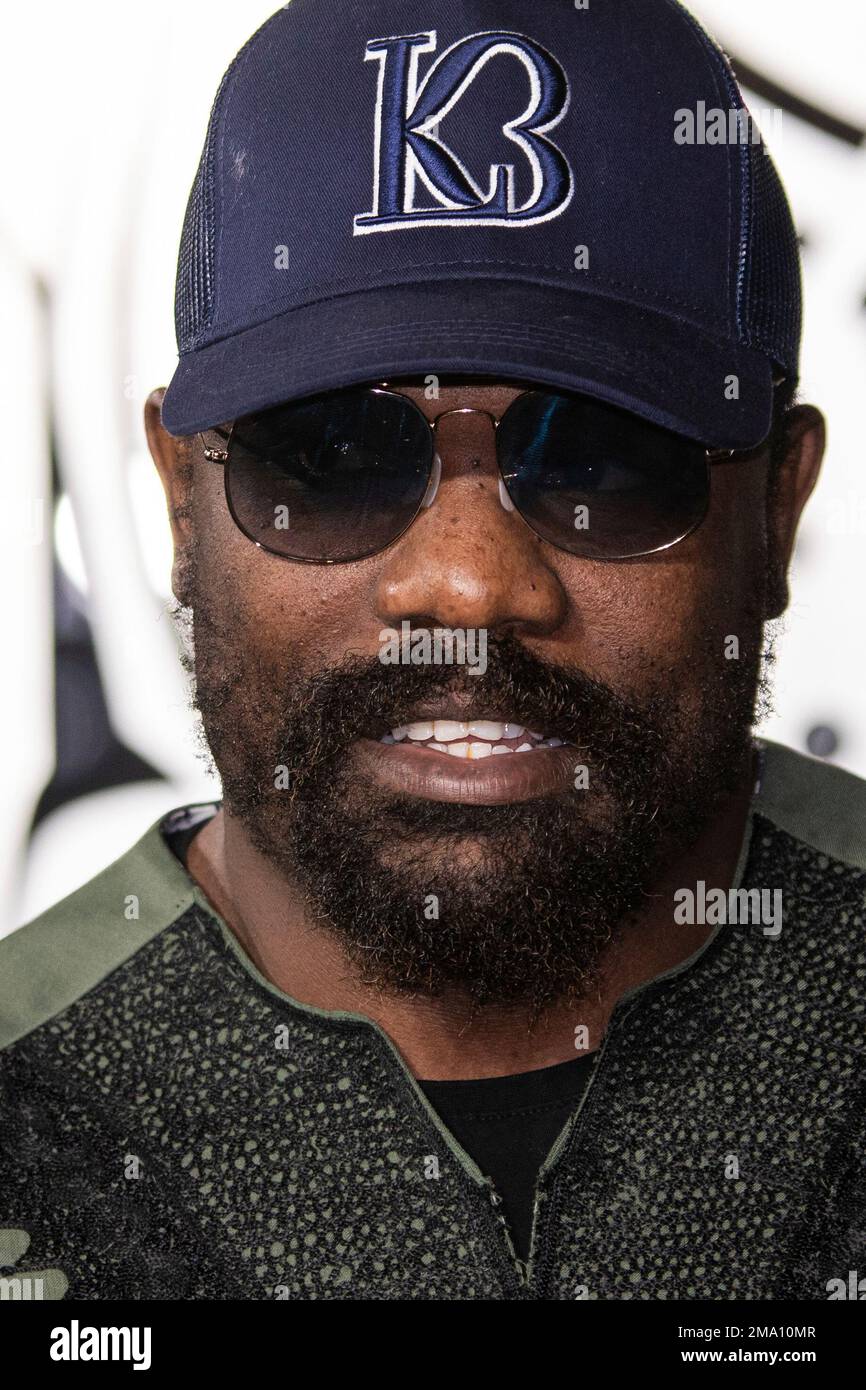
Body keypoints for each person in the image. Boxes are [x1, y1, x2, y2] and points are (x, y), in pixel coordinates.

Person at [2, 0, 863, 1302]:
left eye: (598, 459)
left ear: (774, 509)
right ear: (182, 503)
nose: (464, 581)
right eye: (333, 456)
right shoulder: (29, 1103)